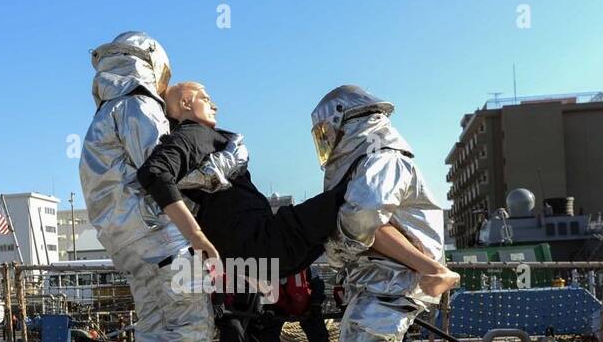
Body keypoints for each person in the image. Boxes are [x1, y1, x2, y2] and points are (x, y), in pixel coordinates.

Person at [138, 81, 459, 297]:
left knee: (342, 218)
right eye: (205, 98)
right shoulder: (193, 134)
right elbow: (155, 174)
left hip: (255, 250)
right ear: (185, 102)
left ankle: (423, 269)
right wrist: (198, 238)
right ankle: (432, 269)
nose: (215, 105)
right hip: (261, 242)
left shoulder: (198, 140)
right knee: (354, 202)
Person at [80, 33, 230, 342]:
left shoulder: (105, 113)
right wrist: (220, 171)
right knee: (190, 323)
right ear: (150, 64)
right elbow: (162, 171)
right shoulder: (140, 104)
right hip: (158, 233)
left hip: (123, 240)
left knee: (153, 326)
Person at [310, 85, 447, 342]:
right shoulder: (374, 158)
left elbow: (364, 218)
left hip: (396, 272)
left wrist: (335, 245)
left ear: (342, 123)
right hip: (392, 271)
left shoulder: (380, 159)